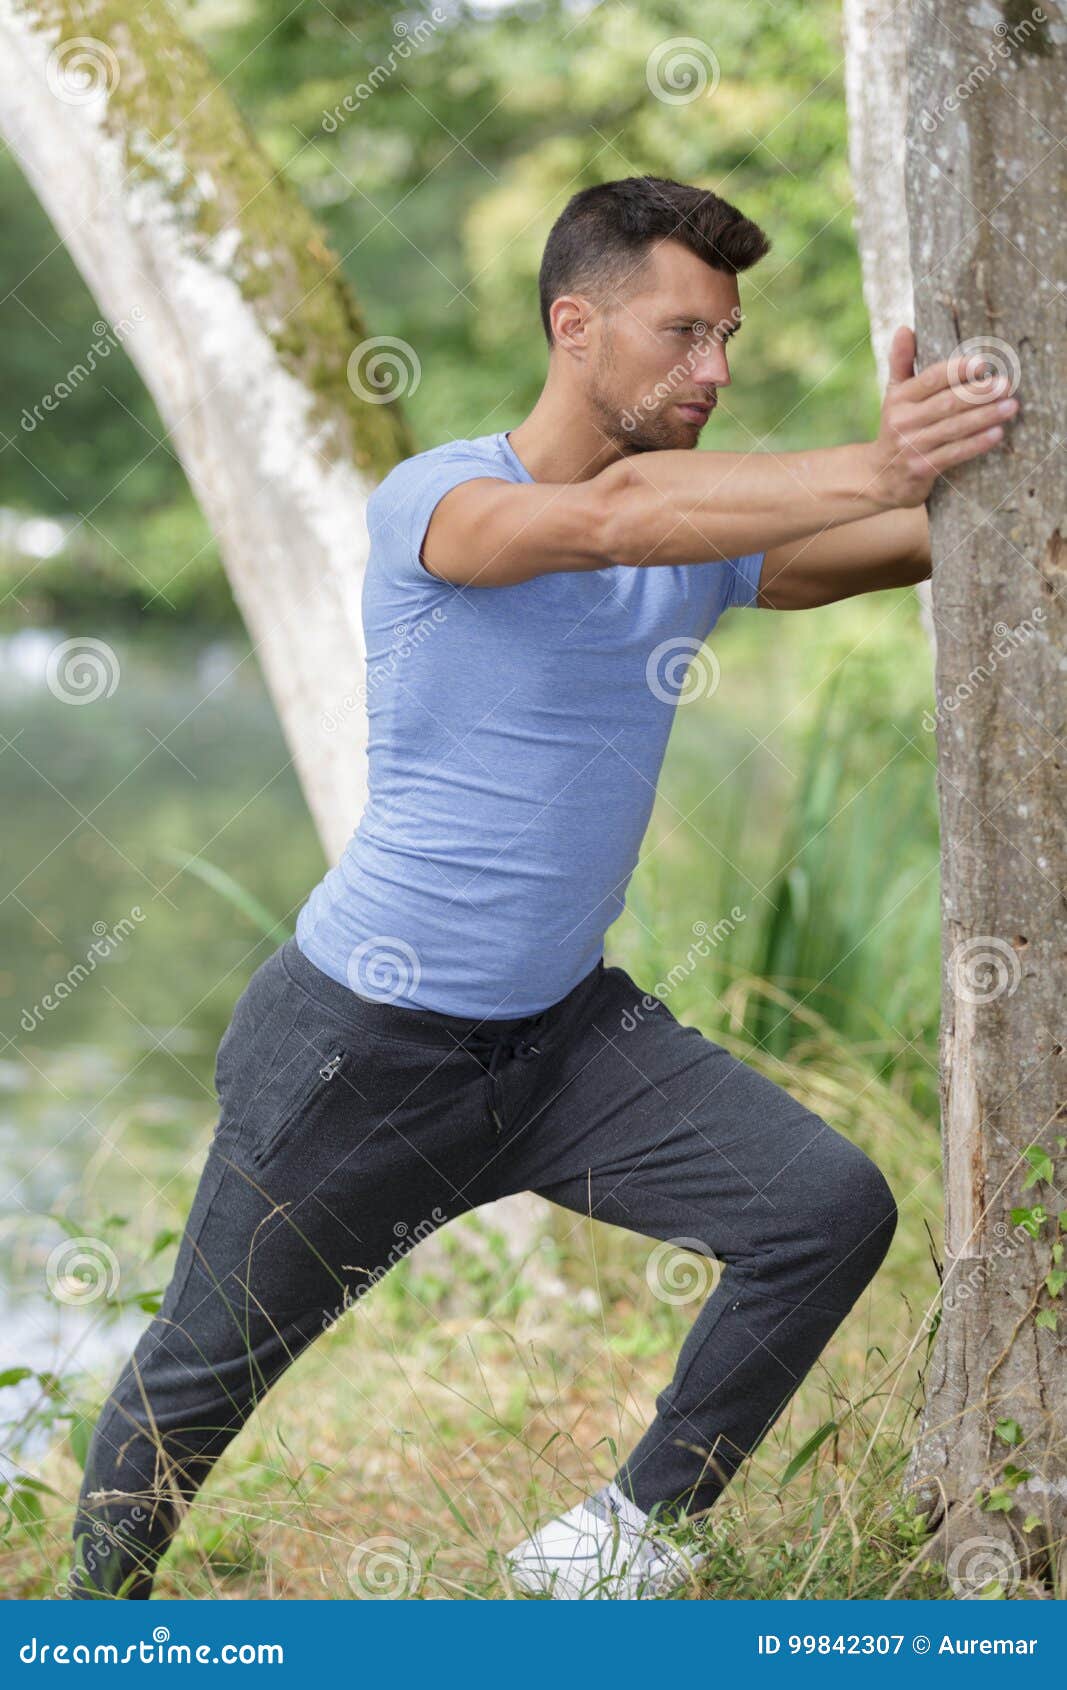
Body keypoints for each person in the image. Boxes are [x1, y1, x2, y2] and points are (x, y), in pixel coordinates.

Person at [69, 174, 1017, 1600]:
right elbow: (615, 516)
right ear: (574, 324)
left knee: (825, 1210)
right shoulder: (441, 505)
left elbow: (940, 544)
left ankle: (617, 1543)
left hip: (567, 1043)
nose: (715, 370)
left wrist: (986, 476)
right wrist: (878, 463)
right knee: (197, 1378)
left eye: (729, 341)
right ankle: (87, 1622)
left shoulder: (692, 544)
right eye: (682, 334)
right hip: (358, 1046)